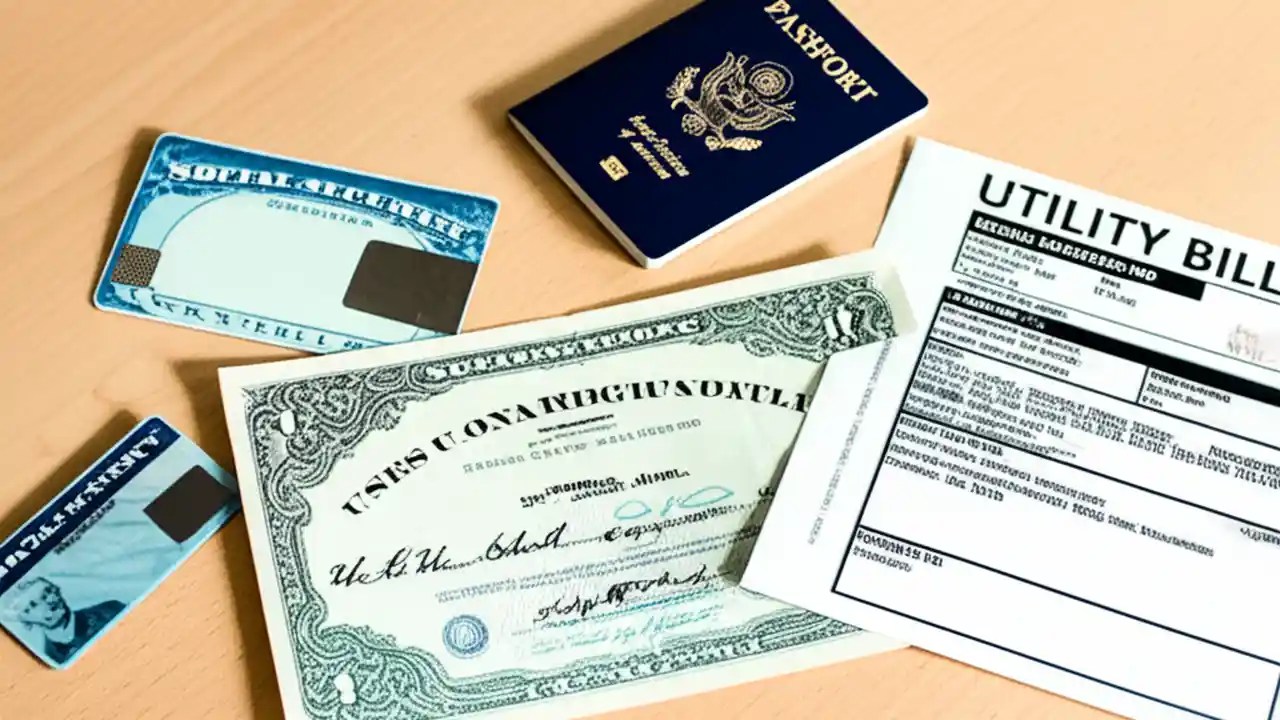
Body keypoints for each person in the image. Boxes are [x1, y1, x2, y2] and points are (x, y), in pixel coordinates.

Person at [2, 577, 124, 664]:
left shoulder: (110, 610)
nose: (51, 600)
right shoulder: (51, 659)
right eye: (34, 605)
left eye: (48, 591)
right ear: (25, 621)